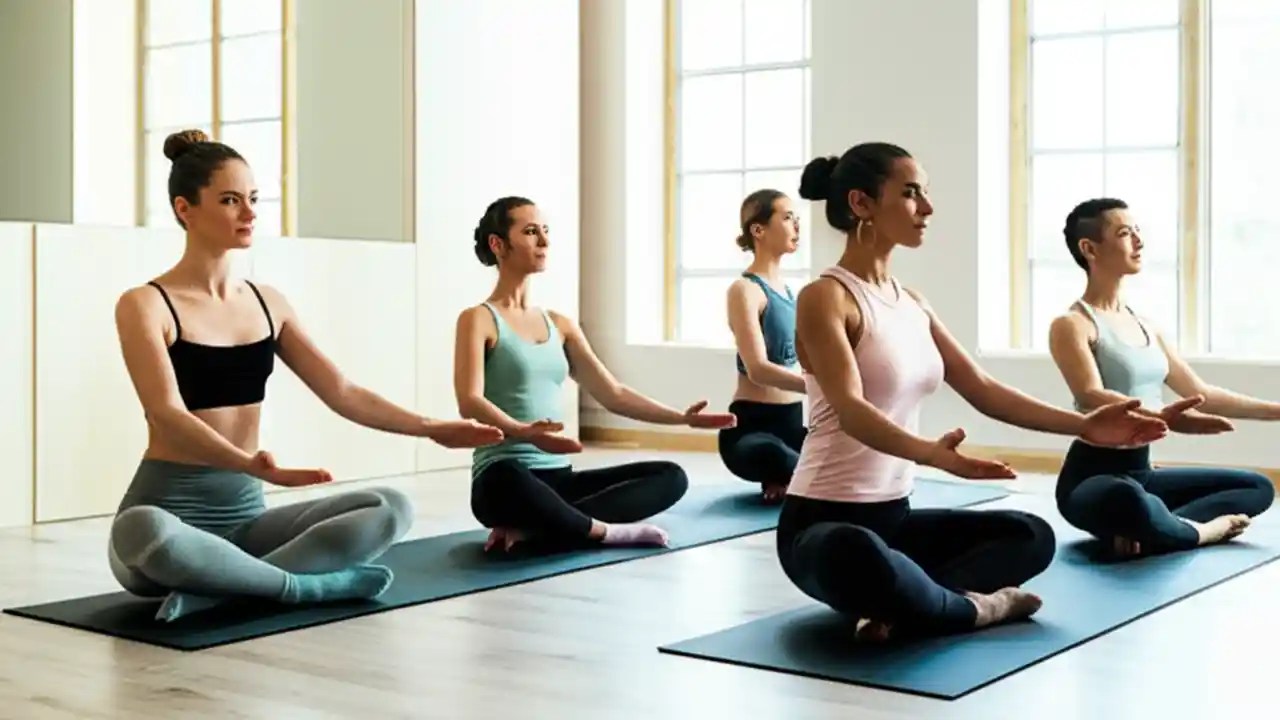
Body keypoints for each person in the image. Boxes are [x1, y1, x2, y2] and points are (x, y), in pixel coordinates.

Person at [781, 142, 1171, 641]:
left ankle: (904, 601)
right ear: (862, 204)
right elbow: (852, 410)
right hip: (821, 523)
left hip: (894, 519)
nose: (927, 208)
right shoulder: (826, 298)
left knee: (1031, 536)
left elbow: (984, 390)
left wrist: (1084, 425)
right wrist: (934, 456)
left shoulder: (912, 303)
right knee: (851, 550)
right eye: (911, 193)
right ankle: (978, 610)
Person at [110, 129, 504, 622]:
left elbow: (341, 391)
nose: (250, 213)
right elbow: (165, 413)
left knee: (389, 506)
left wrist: (431, 427)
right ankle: (300, 587)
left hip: (246, 521)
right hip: (171, 518)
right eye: (230, 200)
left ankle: (225, 588)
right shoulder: (146, 304)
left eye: (253, 199)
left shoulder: (267, 302)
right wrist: (250, 463)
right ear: (184, 209)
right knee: (141, 531)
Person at [454, 196, 737, 553]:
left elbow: (612, 393)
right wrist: (523, 432)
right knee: (505, 476)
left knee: (670, 476)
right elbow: (469, 401)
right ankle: (604, 532)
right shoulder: (478, 319)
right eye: (530, 231)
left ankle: (543, 528)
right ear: (498, 244)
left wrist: (681, 418)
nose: (544, 241)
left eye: (545, 230)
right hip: (504, 479)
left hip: (558, 480)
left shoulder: (559, 324)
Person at [1047, 197, 1276, 558]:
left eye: (1138, 231)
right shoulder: (1072, 324)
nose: (1138, 240)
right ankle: (1199, 531)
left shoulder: (1147, 326)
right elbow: (1090, 393)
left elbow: (1201, 393)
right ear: (1089, 248)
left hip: (1143, 474)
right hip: (1093, 479)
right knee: (1127, 499)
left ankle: (1155, 528)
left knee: (1258, 488)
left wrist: (1276, 410)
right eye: (1125, 233)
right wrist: (1156, 415)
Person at [720, 189, 807, 503]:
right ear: (758, 230)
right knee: (772, 454)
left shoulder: (790, 292)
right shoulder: (744, 290)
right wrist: (820, 387)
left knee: (851, 453)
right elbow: (757, 369)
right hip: (751, 431)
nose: (797, 226)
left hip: (793, 425)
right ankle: (790, 473)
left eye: (797, 218)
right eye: (787, 218)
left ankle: (790, 476)